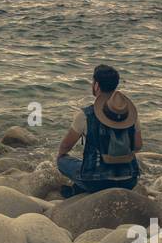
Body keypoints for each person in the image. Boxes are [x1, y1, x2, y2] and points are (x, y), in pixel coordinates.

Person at [56, 64, 143, 197]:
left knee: (63, 161)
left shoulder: (86, 115)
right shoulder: (130, 115)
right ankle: (78, 189)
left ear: (96, 85)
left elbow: (66, 146)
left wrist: (60, 155)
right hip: (129, 181)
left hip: (95, 182)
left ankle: (80, 188)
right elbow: (138, 146)